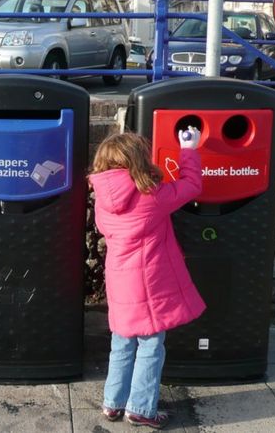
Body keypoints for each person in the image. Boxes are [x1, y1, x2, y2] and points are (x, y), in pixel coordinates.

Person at [88, 129, 206, 429]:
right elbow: (192, 185)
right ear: (138, 161)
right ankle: (141, 408)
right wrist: (188, 148)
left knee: (122, 341)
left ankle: (113, 403)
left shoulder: (102, 200)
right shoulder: (152, 197)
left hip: (118, 277)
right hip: (150, 279)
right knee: (152, 344)